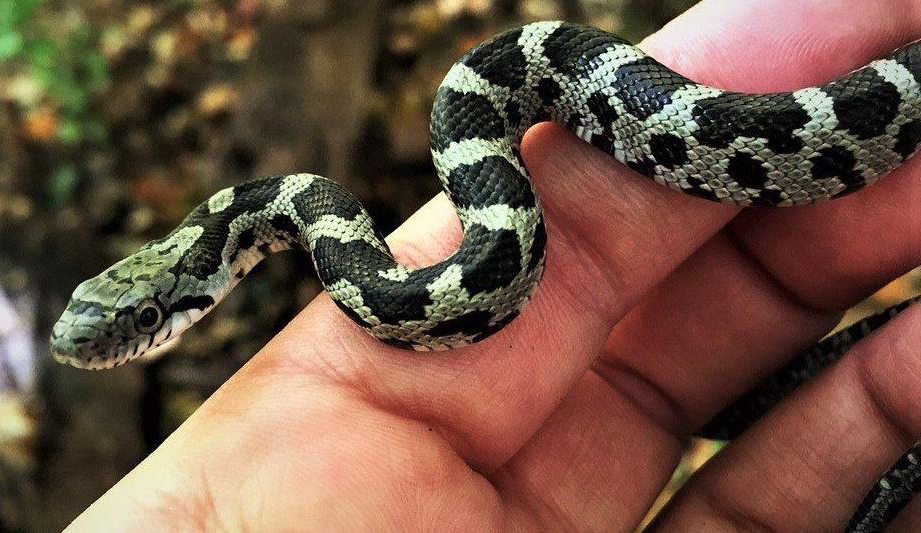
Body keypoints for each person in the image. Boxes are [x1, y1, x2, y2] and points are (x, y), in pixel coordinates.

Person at [68, 0, 921, 530]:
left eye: (140, 321)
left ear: (183, 280)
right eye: (138, 321)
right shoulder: (347, 258)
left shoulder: (350, 249)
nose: (126, 338)